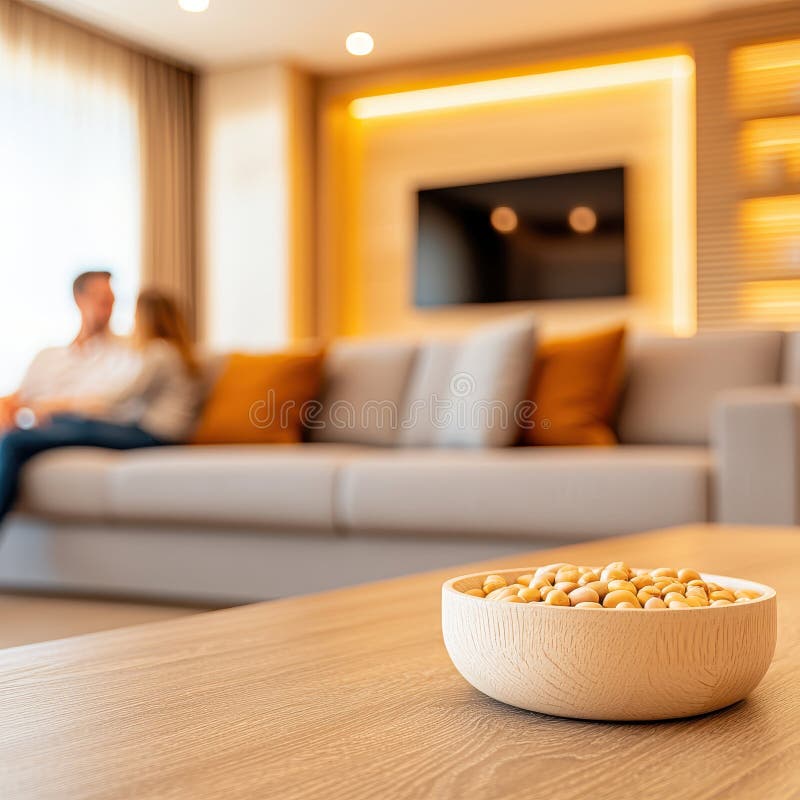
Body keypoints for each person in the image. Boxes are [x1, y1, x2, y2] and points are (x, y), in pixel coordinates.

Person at [0, 288, 201, 524]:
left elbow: (121, 396)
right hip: (153, 431)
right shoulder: (171, 351)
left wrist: (65, 406)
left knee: (40, 434)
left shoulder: (159, 353)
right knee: (69, 424)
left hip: (156, 435)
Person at [0, 270, 139, 431]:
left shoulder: (123, 354)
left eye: (111, 302)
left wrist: (47, 407)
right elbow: (18, 398)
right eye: (102, 301)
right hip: (36, 427)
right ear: (79, 300)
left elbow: (111, 405)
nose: (108, 310)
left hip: (78, 429)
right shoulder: (47, 357)